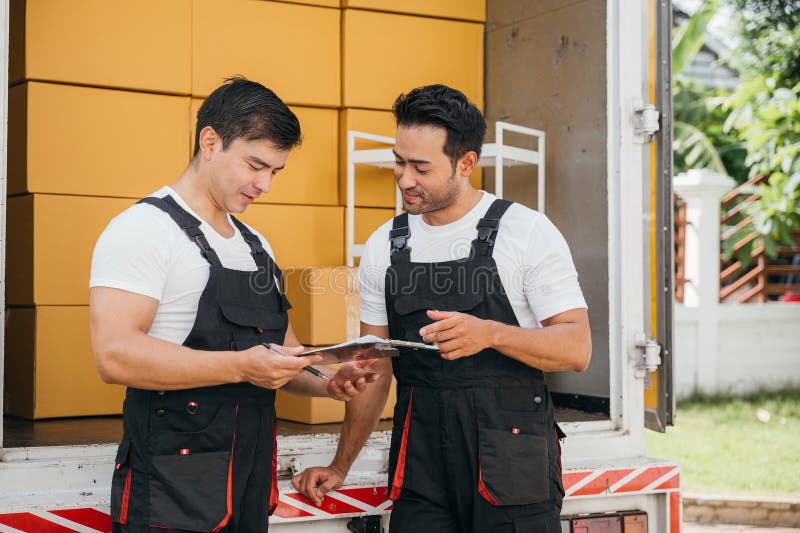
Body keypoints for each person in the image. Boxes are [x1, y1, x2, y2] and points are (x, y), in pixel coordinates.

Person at [292, 84, 592, 532]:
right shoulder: (385, 245)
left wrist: (491, 334)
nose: (405, 178)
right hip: (422, 461)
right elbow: (375, 366)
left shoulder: (526, 232)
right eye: (399, 161)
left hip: (509, 461)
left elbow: (576, 348)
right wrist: (341, 465)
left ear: (466, 163)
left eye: (421, 167)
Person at [89, 77, 378, 533]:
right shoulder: (142, 230)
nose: (264, 184)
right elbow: (115, 355)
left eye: (275, 172)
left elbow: (285, 354)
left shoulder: (255, 245)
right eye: (255, 165)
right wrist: (243, 367)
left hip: (247, 486)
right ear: (210, 141)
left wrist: (327, 380)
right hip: (172, 490)